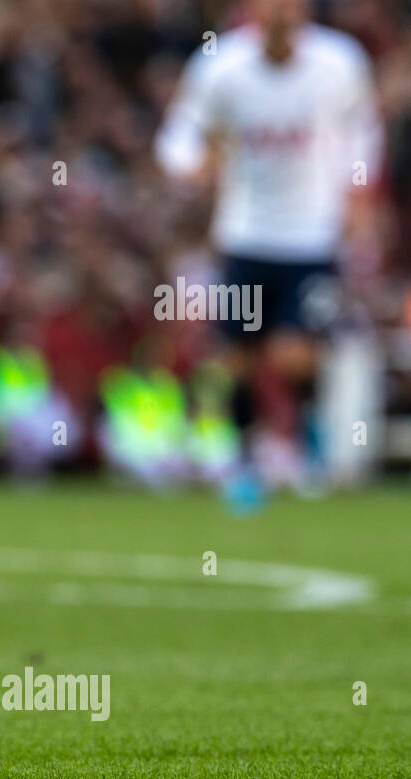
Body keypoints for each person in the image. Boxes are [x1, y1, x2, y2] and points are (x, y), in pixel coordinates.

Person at [155, 0, 383, 496]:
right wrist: (192, 167)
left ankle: (306, 447)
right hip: (244, 233)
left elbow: (363, 134)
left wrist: (358, 196)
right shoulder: (221, 67)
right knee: (237, 357)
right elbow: (179, 135)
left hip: (311, 237)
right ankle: (243, 460)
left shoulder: (339, 63)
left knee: (293, 355)